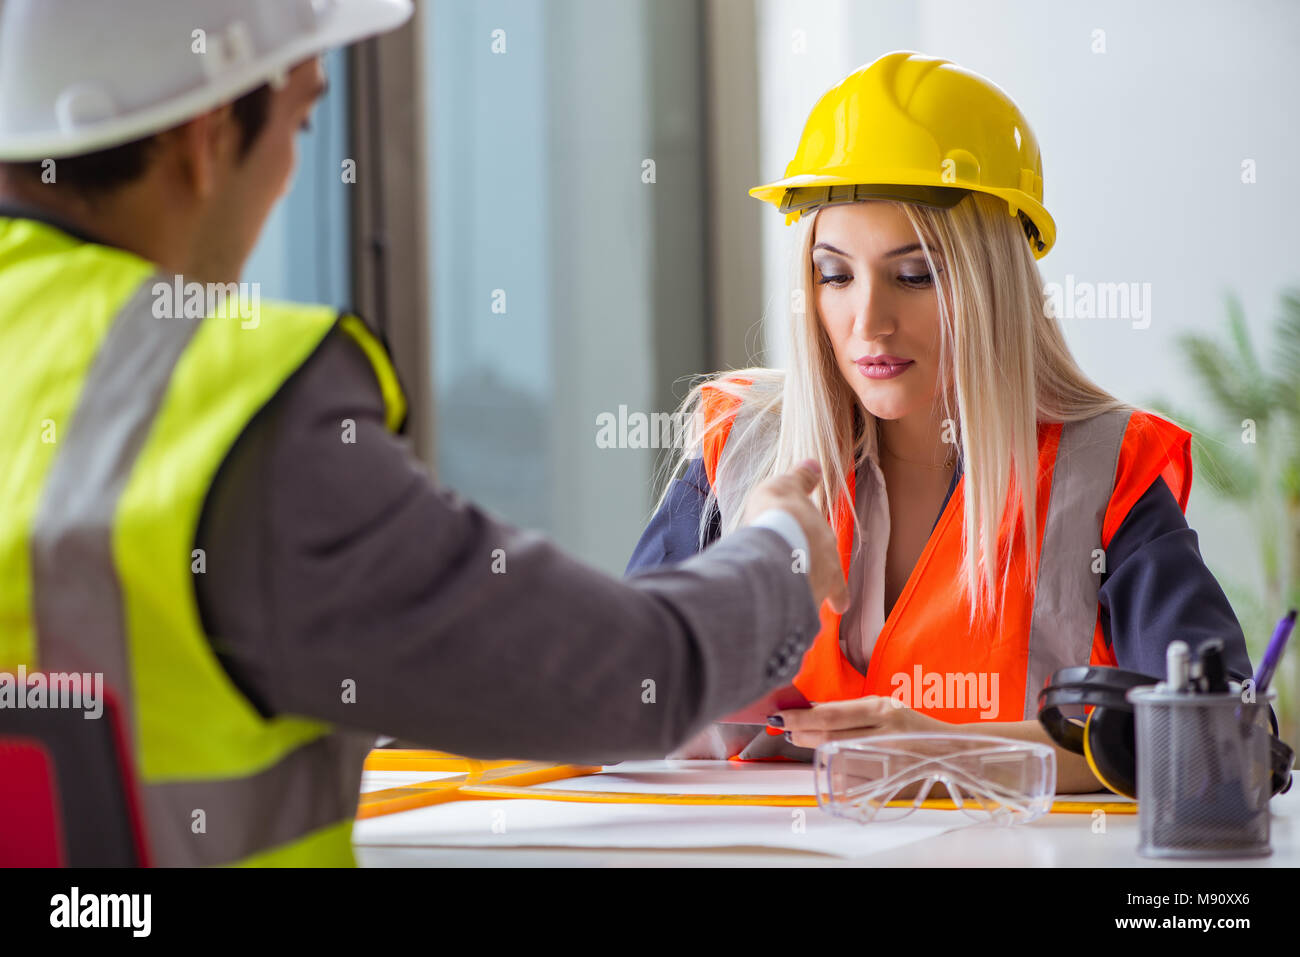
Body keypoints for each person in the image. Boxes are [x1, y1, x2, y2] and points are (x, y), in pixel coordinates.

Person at [0, 0, 848, 866]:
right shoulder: (235, 404)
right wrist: (779, 554)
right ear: (206, 136)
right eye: (300, 122)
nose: (292, 173)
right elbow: (621, 673)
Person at [626, 51, 1256, 790]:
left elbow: (1220, 738)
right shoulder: (740, 448)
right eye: (835, 275)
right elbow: (608, 694)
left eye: (915, 274)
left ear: (993, 282)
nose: (869, 322)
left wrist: (947, 749)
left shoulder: (1103, 468)